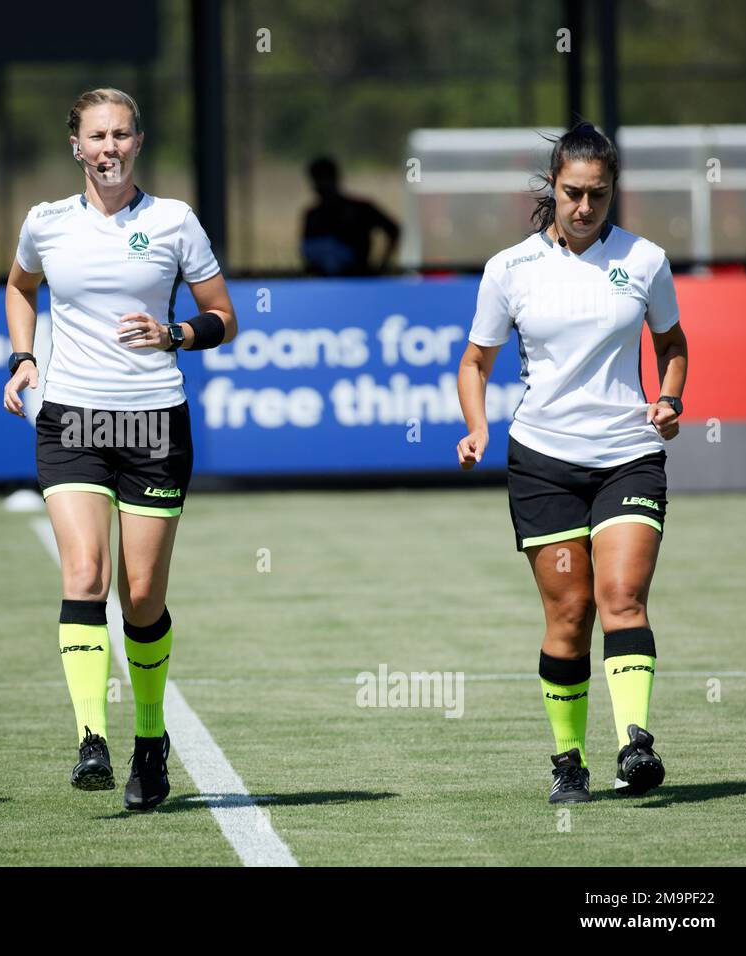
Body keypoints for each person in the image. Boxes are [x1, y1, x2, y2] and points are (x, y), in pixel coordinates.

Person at [3, 88, 237, 811]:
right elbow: (19, 288)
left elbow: (223, 315)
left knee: (140, 598)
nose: (110, 147)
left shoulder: (174, 222)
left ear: (138, 143)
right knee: (84, 570)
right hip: (73, 420)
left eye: (123, 135)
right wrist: (22, 357)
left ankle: (148, 735)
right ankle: (90, 740)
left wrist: (175, 335)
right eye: (97, 136)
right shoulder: (45, 223)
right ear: (75, 144)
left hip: (153, 426)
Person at [456, 122, 688, 804]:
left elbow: (673, 345)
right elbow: (475, 362)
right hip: (544, 465)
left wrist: (670, 400)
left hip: (628, 459)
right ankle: (569, 762)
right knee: (570, 613)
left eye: (598, 195)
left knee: (623, 596)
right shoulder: (510, 269)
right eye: (572, 193)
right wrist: (477, 426)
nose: (585, 208)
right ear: (551, 189)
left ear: (613, 193)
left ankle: (635, 744)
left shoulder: (645, 260)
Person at [301, 156, 400, 276]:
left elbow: (393, 229)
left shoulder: (360, 208)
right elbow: (307, 251)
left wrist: (382, 265)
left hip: (358, 277)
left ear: (335, 179)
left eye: (324, 179)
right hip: (325, 282)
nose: (320, 186)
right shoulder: (312, 215)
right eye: (317, 180)